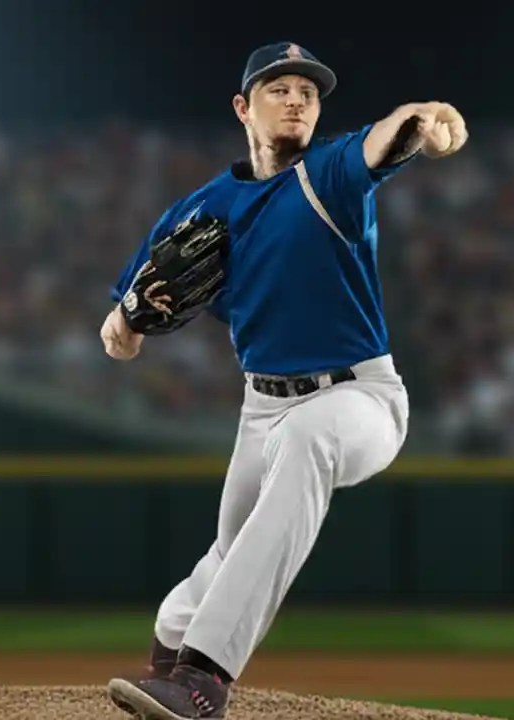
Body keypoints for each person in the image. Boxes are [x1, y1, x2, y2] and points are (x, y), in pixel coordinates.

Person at [100, 41, 467, 719]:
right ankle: (169, 644)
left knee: (309, 437)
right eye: (279, 88)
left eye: (308, 90)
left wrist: (419, 119)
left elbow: (385, 140)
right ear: (243, 107)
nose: (297, 98)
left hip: (360, 399)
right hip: (260, 408)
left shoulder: (327, 173)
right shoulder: (203, 208)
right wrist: (123, 324)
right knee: (233, 545)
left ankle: (203, 678)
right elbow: (122, 323)